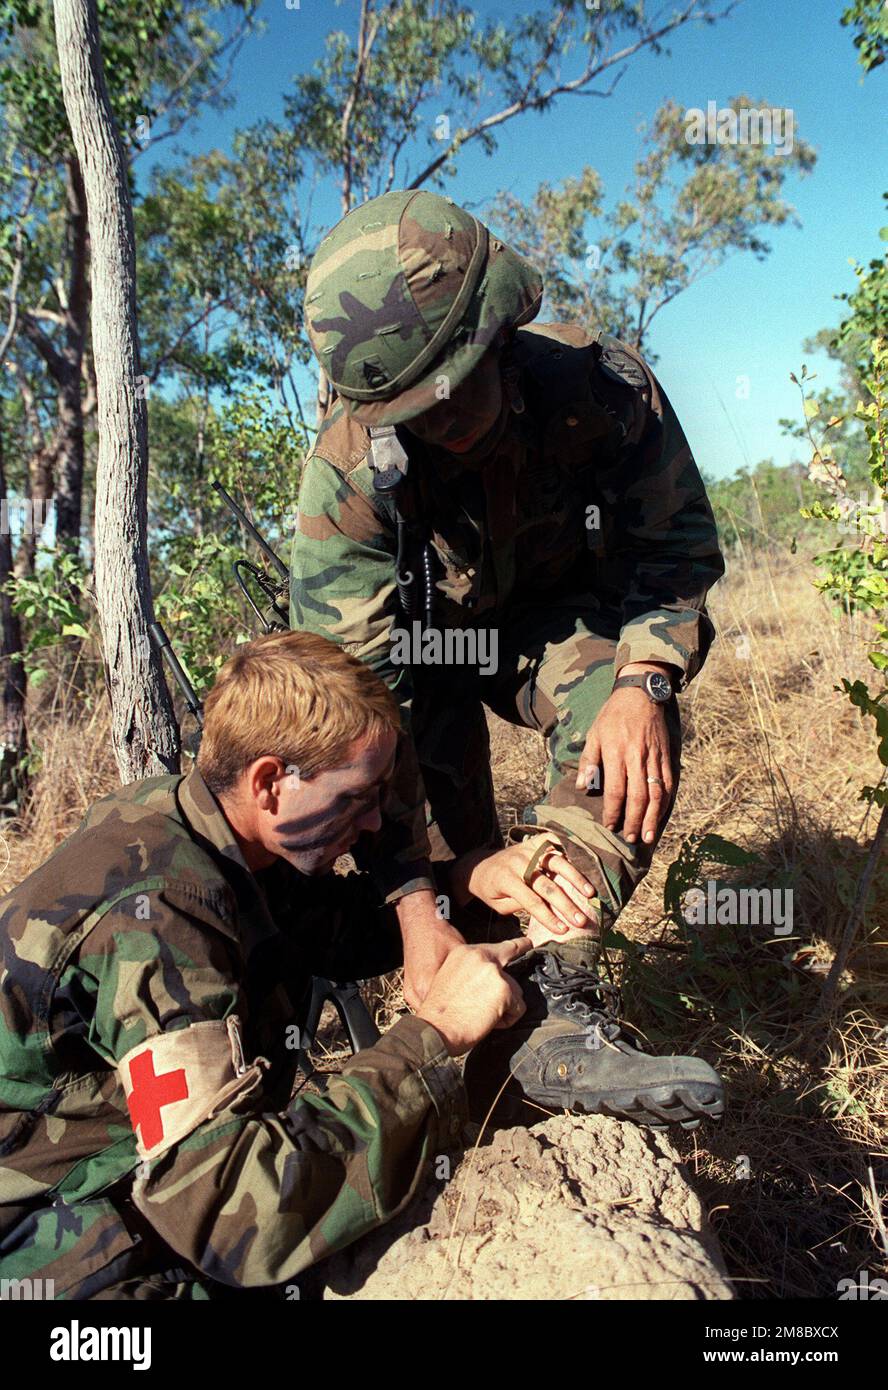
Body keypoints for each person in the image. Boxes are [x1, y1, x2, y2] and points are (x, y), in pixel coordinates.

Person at [289, 187, 727, 1129]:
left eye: (453, 389)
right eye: (414, 410)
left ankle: (556, 994)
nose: (441, 424)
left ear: (499, 329)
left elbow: (676, 552)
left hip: (560, 630)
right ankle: (483, 1021)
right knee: (440, 829)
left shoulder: (601, 390)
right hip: (419, 662)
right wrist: (413, 900)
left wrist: (645, 679)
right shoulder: (351, 478)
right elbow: (356, 703)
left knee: (626, 727)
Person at [0, 630, 536, 1300]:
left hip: (105, 1172)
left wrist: (461, 882)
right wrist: (434, 1034)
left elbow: (311, 928)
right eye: (357, 796)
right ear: (270, 782)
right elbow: (230, 1216)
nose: (374, 824)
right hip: (37, 1226)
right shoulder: (162, 914)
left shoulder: (195, 823)